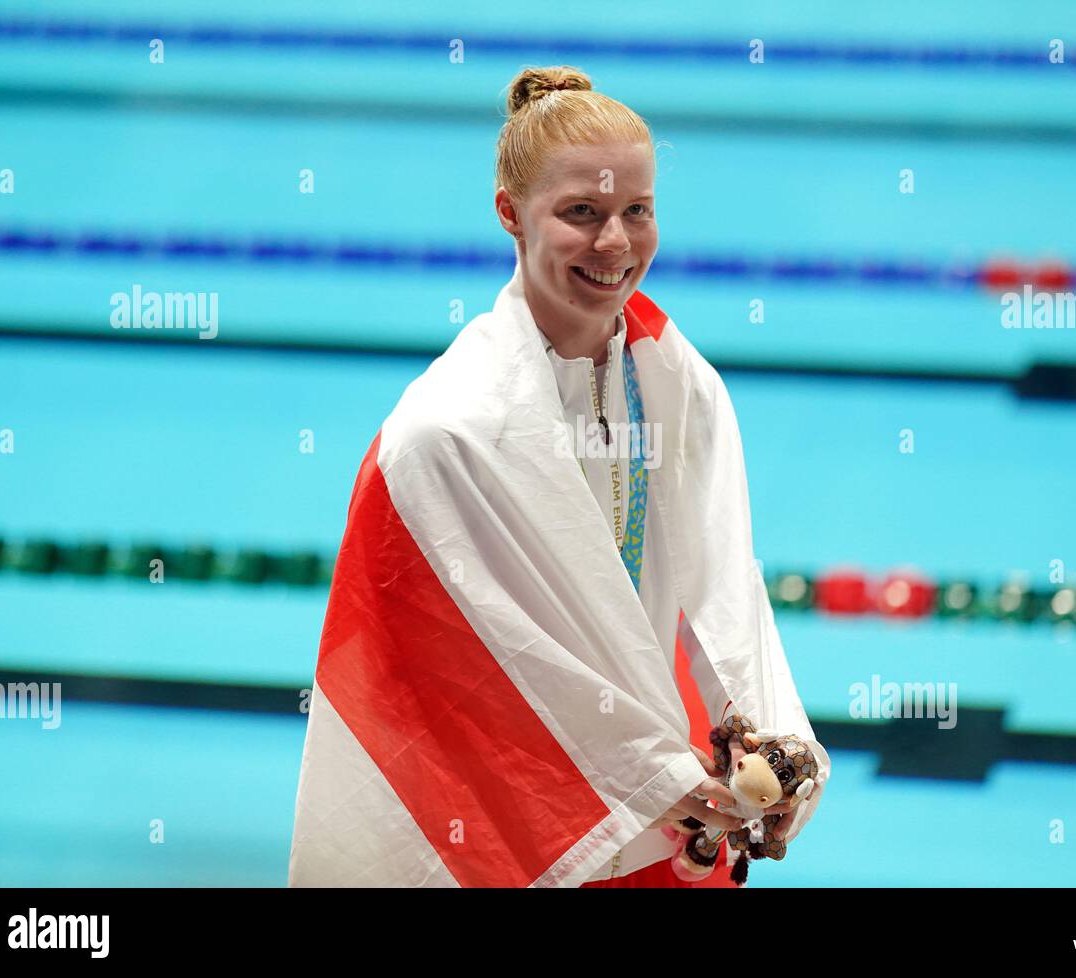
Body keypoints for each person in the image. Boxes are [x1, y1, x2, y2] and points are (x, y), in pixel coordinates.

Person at [286, 65, 829, 889]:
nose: (616, 242)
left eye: (636, 211)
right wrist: (648, 773)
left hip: (678, 812)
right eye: (582, 213)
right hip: (530, 830)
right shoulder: (446, 435)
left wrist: (776, 739)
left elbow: (725, 590)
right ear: (510, 213)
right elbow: (454, 675)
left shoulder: (680, 383)